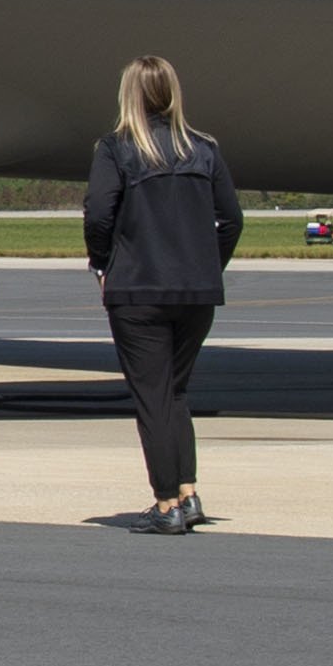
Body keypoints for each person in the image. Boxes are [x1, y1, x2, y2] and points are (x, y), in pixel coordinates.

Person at [85, 54, 243, 534]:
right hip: (195, 292)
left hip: (139, 289)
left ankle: (166, 501)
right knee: (174, 392)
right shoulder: (204, 149)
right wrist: (206, 266)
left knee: (152, 397)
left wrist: (102, 264)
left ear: (129, 95)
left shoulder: (116, 148)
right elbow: (231, 220)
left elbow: (99, 215)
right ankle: (188, 493)